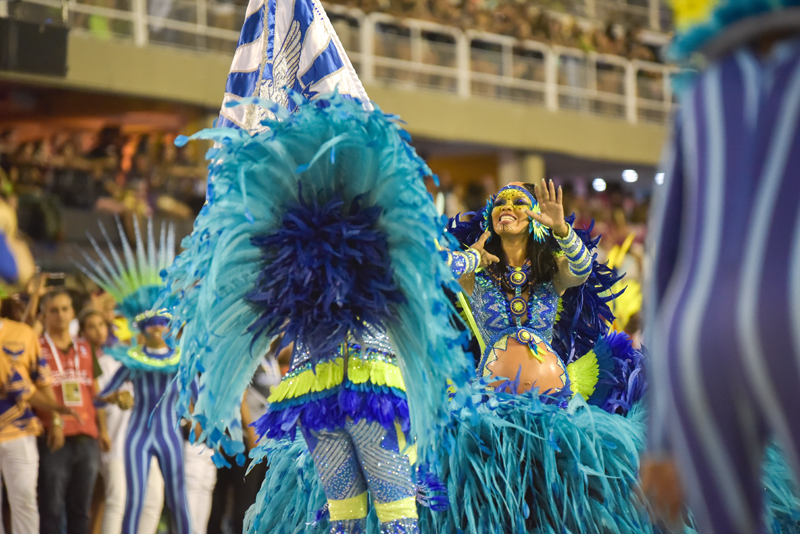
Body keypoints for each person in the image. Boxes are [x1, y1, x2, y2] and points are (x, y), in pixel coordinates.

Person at [641, 3, 800, 532]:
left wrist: (660, 437)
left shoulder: (703, 92)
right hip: (788, 313)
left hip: (694, 328)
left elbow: (662, 263)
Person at [77, 218, 192, 534]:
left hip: (164, 433)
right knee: (128, 499)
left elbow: (193, 395)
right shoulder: (126, 359)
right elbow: (99, 396)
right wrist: (116, 396)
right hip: (129, 435)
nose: (159, 327)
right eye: (152, 322)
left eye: (163, 322)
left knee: (167, 500)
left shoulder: (177, 358)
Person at [79, 309, 164, 534]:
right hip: (115, 441)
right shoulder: (100, 363)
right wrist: (104, 429)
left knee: (153, 498)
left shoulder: (138, 362)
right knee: (117, 501)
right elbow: (95, 397)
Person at [37, 290, 111, 534]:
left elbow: (94, 389)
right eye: (54, 310)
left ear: (72, 313)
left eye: (65, 309)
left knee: (81, 509)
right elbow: (35, 392)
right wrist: (56, 422)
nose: (60, 315)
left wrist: (103, 429)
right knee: (52, 508)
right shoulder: (37, 348)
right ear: (44, 316)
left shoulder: (85, 348)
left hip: (87, 435)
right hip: (54, 437)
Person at [0, 317, 74, 534]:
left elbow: (41, 380)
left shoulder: (22, 333)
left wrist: (56, 419)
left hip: (19, 432)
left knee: (24, 499)